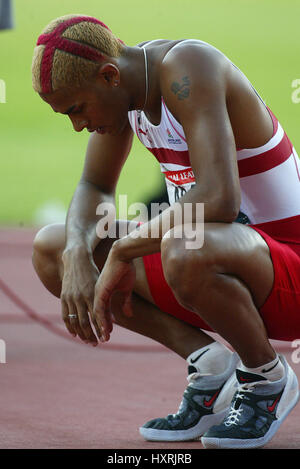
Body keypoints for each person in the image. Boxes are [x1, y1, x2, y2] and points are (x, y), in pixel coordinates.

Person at [31, 14, 300, 449]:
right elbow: (94, 187)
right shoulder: (125, 91)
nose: (77, 126)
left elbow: (218, 199)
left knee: (184, 244)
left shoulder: (188, 67)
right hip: (216, 268)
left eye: (76, 109)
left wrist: (122, 251)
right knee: (52, 247)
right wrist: (78, 253)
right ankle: (209, 365)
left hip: (290, 273)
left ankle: (266, 380)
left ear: (109, 75)